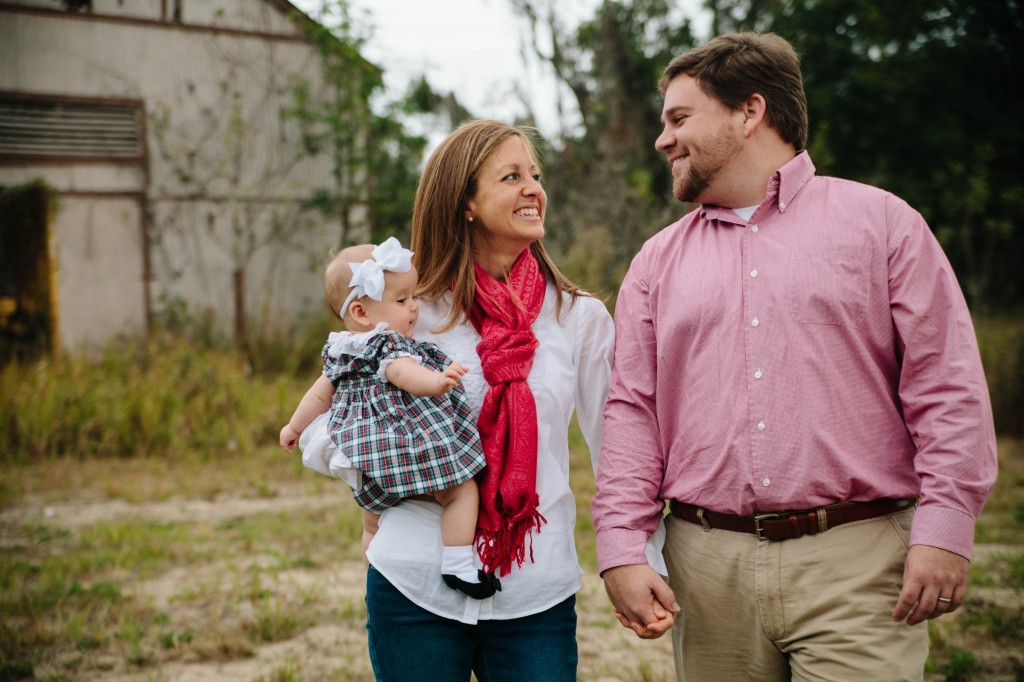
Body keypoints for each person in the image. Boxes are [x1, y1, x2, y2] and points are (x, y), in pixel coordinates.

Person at [593, 32, 998, 681]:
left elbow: (947, 389)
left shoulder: (883, 225)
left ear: (748, 113)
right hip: (705, 569)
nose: (662, 140)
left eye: (678, 118)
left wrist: (945, 529)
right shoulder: (655, 263)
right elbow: (633, 414)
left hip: (859, 564)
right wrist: (621, 548)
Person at [300, 119, 614, 681]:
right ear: (464, 202)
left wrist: (631, 555)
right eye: (511, 176)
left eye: (536, 176)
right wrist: (378, 465)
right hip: (415, 584)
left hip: (535, 593)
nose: (533, 189)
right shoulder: (410, 314)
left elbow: (616, 446)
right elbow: (326, 424)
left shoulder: (578, 316)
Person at [279, 236, 497, 599]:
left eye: (412, 297)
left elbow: (320, 393)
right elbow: (402, 373)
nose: (414, 308)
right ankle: (458, 563)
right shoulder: (388, 344)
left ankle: (373, 574)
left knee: (371, 520)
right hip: (408, 446)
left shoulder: (339, 349)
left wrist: (294, 426)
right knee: (461, 490)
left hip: (367, 456)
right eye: (401, 300)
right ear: (362, 313)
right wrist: (436, 382)